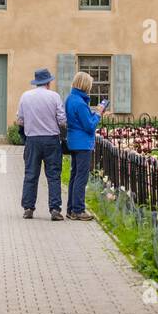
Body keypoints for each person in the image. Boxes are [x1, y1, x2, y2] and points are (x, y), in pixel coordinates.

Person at [16, 67, 66, 221]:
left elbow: (20, 120)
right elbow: (62, 120)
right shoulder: (54, 96)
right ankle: (55, 209)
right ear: (48, 83)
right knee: (53, 175)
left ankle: (28, 208)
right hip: (51, 139)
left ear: (36, 82)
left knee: (31, 174)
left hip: (32, 140)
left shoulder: (25, 96)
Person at [64, 72, 106, 220]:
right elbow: (89, 126)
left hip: (73, 141)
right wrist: (99, 113)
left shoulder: (70, 99)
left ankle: (70, 209)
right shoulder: (80, 103)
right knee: (81, 176)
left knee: (74, 176)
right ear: (85, 85)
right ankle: (78, 210)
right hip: (83, 143)